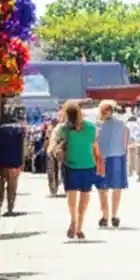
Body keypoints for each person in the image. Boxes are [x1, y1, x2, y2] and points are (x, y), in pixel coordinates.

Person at [57, 101, 99, 240]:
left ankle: (75, 223)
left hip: (72, 166)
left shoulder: (63, 129)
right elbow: (94, 146)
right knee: (83, 199)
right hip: (87, 166)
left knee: (72, 200)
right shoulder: (91, 128)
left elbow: (56, 144)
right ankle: (78, 226)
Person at [94, 100, 130, 228]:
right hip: (118, 157)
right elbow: (127, 140)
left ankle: (105, 216)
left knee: (102, 189)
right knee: (116, 188)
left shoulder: (98, 125)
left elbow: (95, 142)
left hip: (102, 158)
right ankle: (114, 215)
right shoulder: (122, 124)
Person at [0, 111, 25, 215]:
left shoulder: (0, 129)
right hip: (15, 160)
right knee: (12, 184)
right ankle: (10, 207)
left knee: (2, 183)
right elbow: (22, 147)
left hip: (2, 160)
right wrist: (22, 161)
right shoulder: (20, 130)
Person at [47, 108, 66, 195]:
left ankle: (55, 187)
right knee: (54, 168)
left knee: (58, 168)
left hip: (59, 148)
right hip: (55, 148)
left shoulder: (60, 126)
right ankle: (54, 187)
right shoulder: (56, 126)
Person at [127, 112, 140, 182]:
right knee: (138, 157)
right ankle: (139, 175)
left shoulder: (127, 123)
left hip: (130, 141)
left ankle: (129, 172)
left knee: (130, 156)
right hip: (138, 141)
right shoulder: (139, 121)